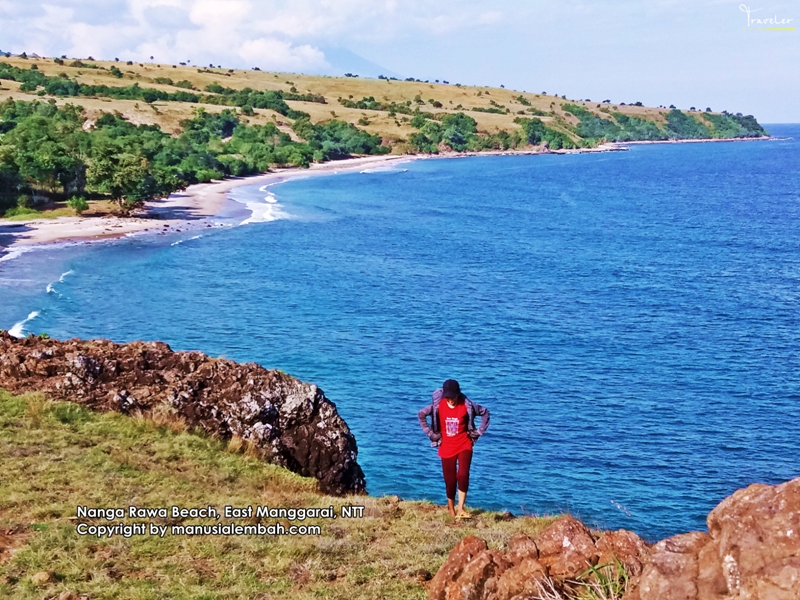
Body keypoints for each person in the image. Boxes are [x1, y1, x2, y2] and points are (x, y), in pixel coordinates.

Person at [418, 379, 490, 519]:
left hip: (464, 444)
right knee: (450, 480)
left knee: (463, 475)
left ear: (458, 394)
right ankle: (451, 509)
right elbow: (421, 414)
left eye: (453, 396)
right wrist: (431, 434)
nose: (450, 400)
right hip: (446, 447)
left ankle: (461, 508)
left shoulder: (467, 405)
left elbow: (485, 413)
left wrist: (479, 432)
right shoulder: (438, 406)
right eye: (448, 397)